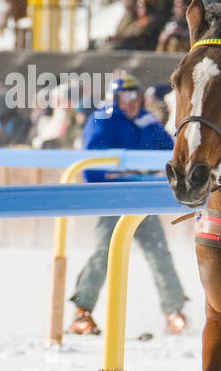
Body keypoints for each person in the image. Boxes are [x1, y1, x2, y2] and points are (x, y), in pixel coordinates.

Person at [68, 74, 188, 336]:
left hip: (141, 198)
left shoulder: (147, 121)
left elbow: (170, 150)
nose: (132, 102)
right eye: (126, 96)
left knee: (159, 253)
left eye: (136, 96)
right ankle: (82, 312)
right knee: (104, 254)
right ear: (115, 98)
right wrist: (115, 175)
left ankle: (174, 310)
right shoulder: (103, 119)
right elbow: (92, 164)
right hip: (112, 198)